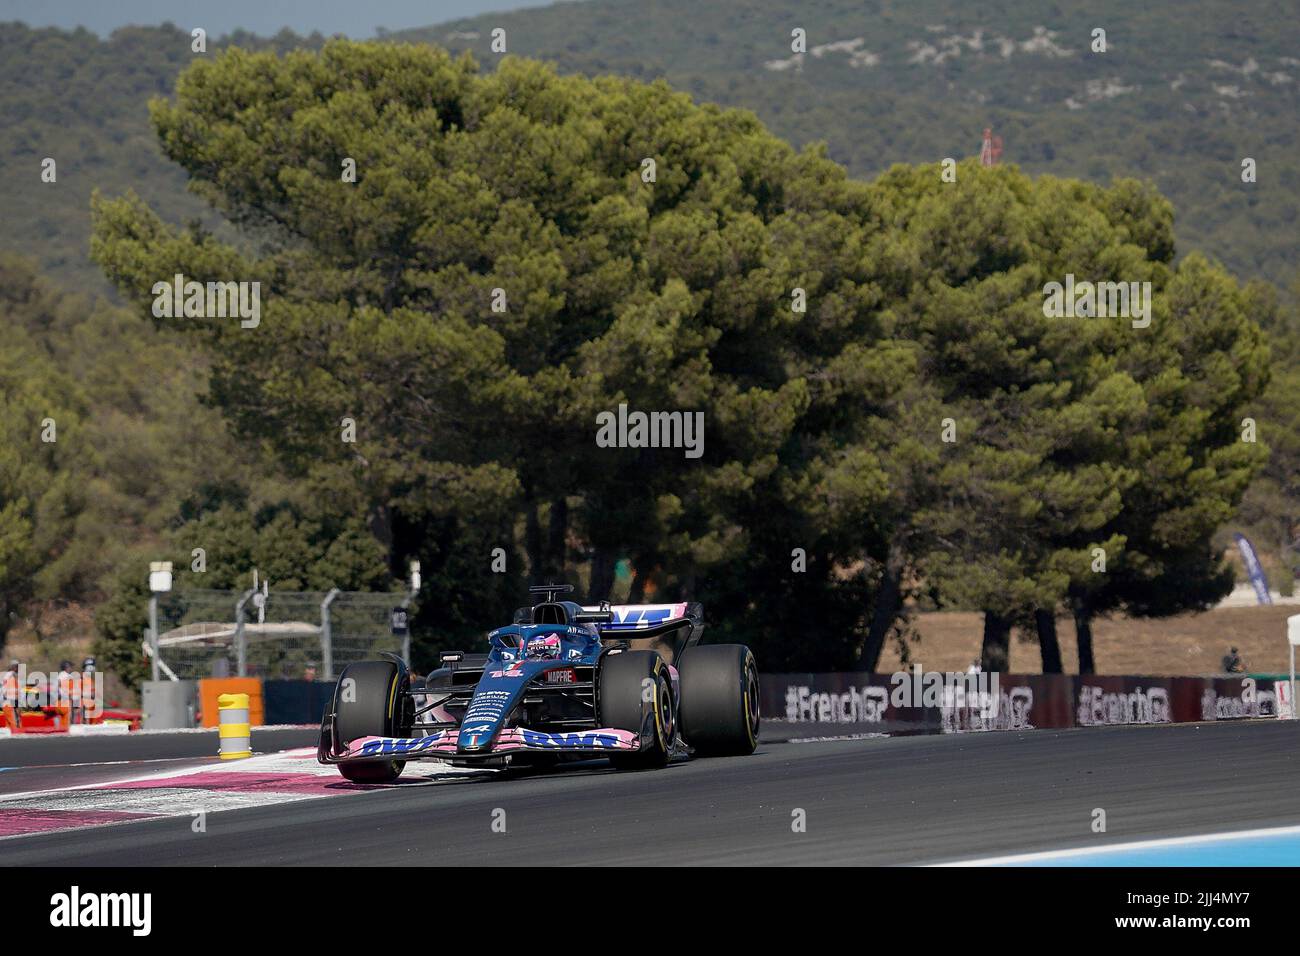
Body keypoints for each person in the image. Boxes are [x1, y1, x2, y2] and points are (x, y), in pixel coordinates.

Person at [2, 661, 19, 729]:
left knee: (9, 723)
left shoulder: (7, 675)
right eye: (17, 667)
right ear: (14, 667)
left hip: (7, 700)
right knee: (13, 722)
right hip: (10, 700)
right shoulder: (12, 674)